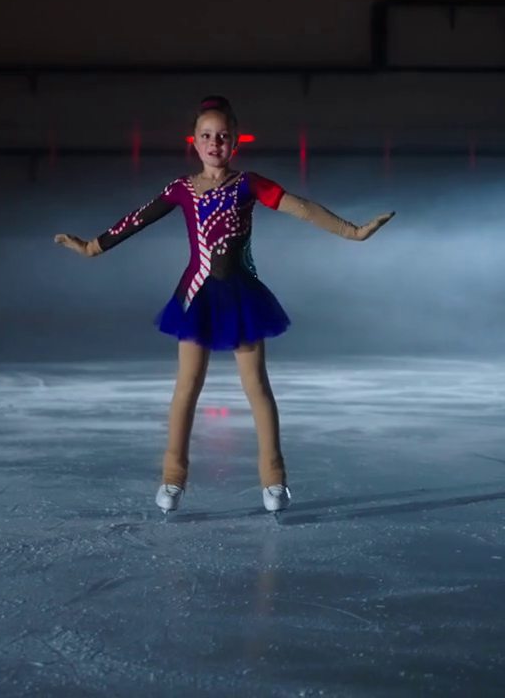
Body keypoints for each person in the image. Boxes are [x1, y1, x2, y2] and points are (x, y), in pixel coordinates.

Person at [54, 95, 393, 514]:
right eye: (206, 136)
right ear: (194, 142)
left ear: (235, 143)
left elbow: (300, 207)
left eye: (223, 136)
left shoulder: (248, 184)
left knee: (257, 389)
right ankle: (173, 478)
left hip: (241, 295)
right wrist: (92, 247)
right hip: (196, 295)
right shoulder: (181, 189)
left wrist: (352, 232)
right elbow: (138, 218)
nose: (214, 143)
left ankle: (274, 479)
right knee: (186, 389)